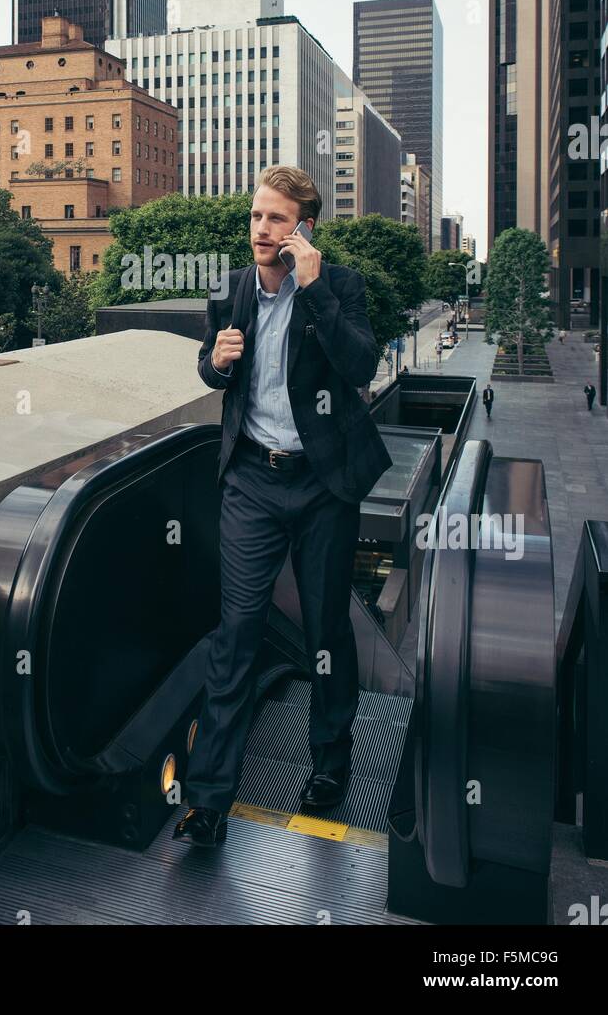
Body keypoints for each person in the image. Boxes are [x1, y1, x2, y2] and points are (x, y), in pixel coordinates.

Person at [174, 166, 394, 848]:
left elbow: (359, 368)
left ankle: (330, 764)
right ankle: (209, 799)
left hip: (323, 483)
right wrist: (215, 362)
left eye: (276, 219)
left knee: (326, 630)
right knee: (236, 631)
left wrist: (315, 288)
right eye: (255, 217)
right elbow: (213, 372)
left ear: (304, 228)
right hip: (251, 481)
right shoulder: (231, 289)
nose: (261, 230)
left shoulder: (340, 286)